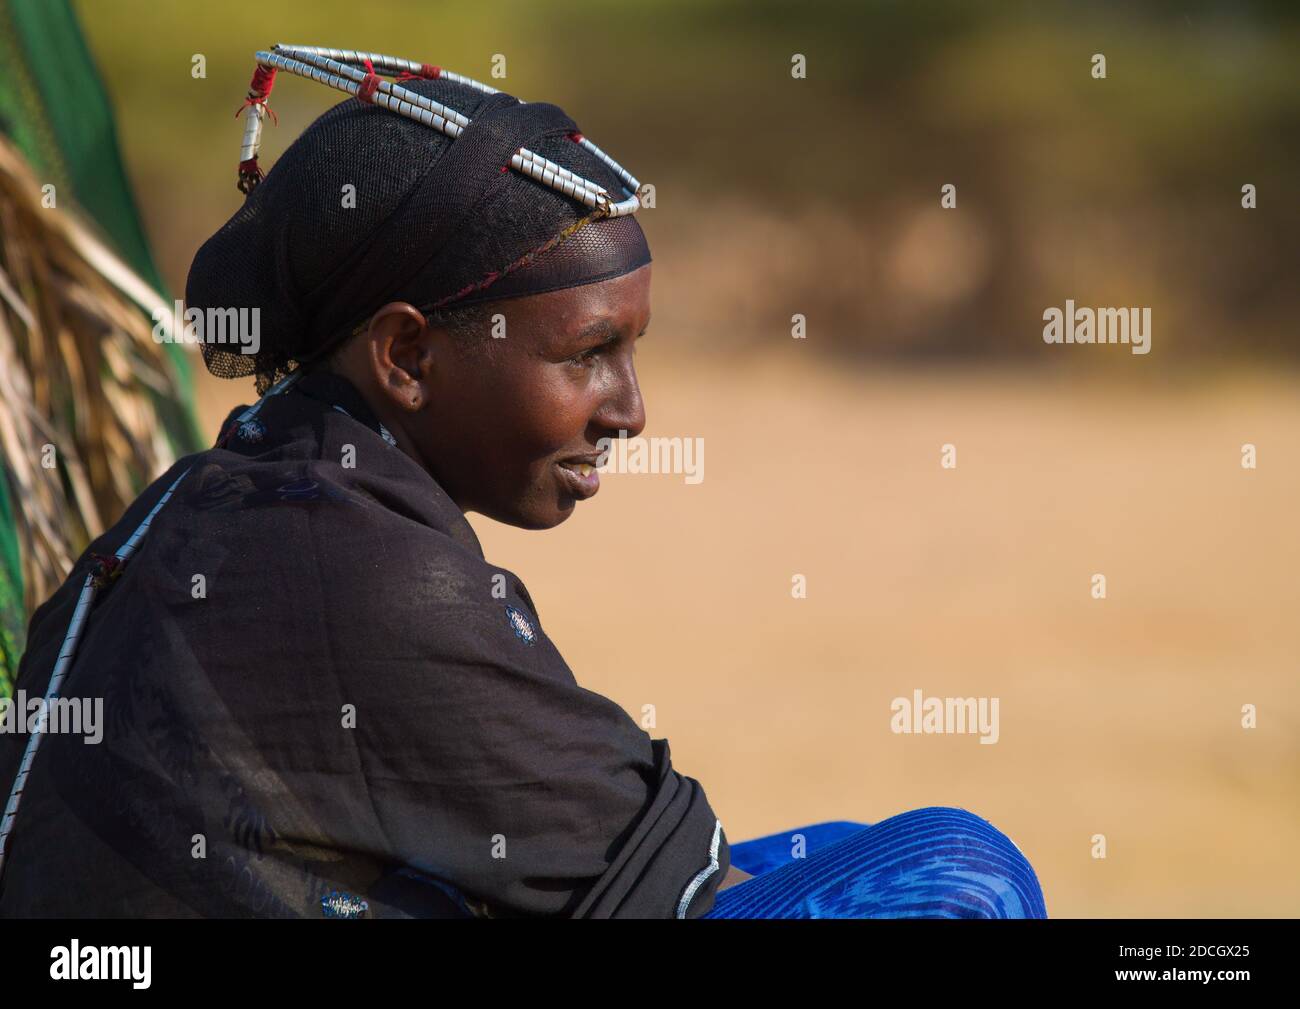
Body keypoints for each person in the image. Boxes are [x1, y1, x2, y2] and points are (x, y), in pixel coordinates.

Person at [0, 46, 1047, 919]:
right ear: (407, 356)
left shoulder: (229, 495)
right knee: (958, 875)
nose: (630, 410)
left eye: (633, 353)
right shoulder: (360, 577)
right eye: (589, 353)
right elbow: (680, 882)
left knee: (854, 848)